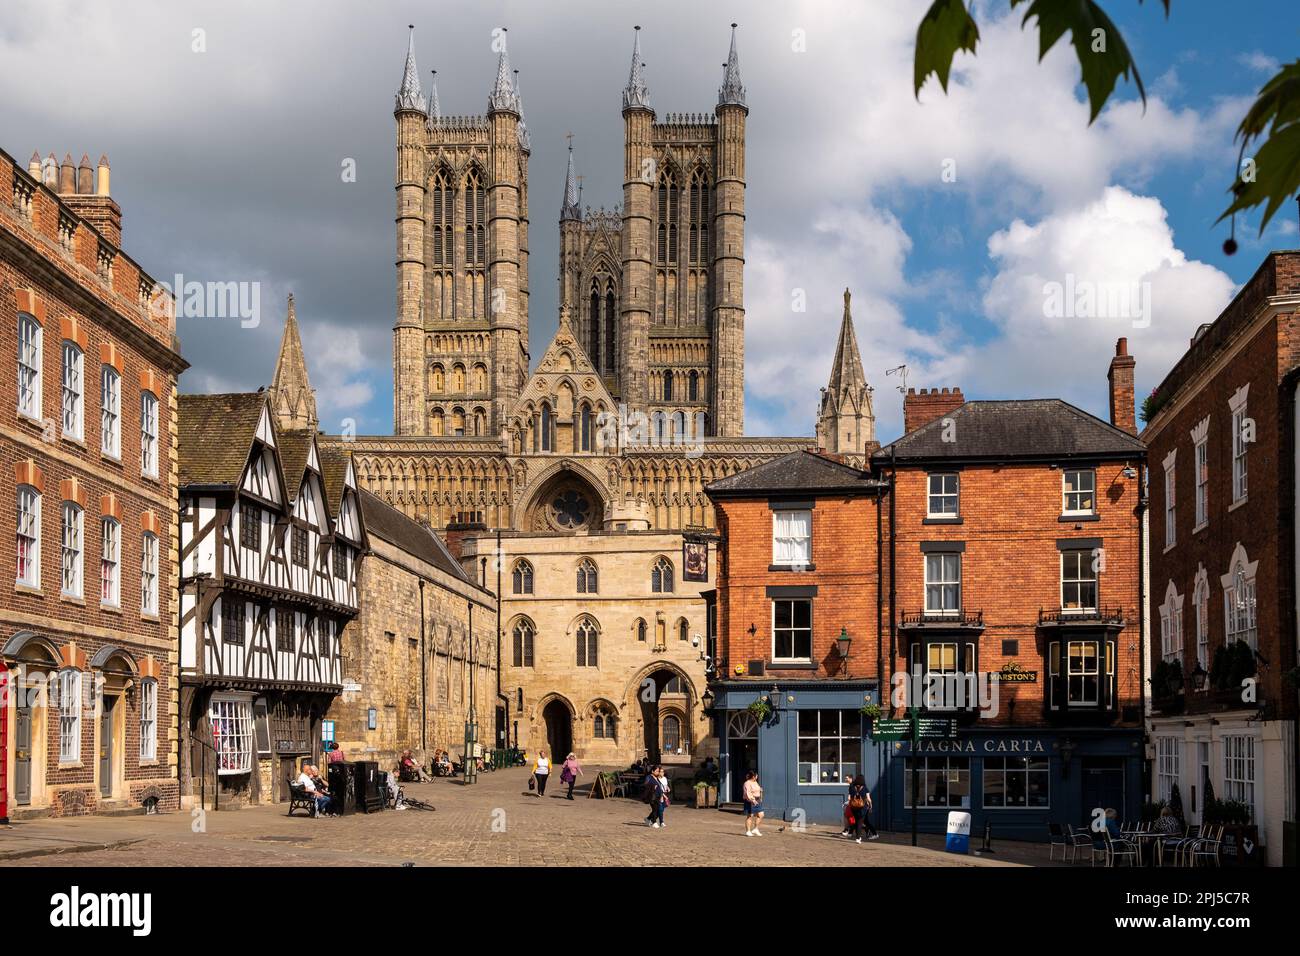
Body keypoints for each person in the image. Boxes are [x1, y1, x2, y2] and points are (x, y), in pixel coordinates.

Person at [847, 774, 879, 842]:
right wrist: (870, 805)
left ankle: (857, 835)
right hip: (863, 808)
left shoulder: (852, 788)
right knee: (860, 822)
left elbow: (849, 798)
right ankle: (858, 837)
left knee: (858, 822)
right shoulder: (865, 788)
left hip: (854, 808)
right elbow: (869, 799)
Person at [742, 770, 764, 836]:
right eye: (756, 775)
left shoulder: (755, 782)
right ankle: (748, 831)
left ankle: (755, 829)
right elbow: (747, 793)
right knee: (750, 816)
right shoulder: (747, 783)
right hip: (750, 801)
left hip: (757, 801)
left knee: (761, 814)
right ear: (753, 776)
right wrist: (752, 800)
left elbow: (758, 789)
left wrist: (760, 792)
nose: (757, 777)